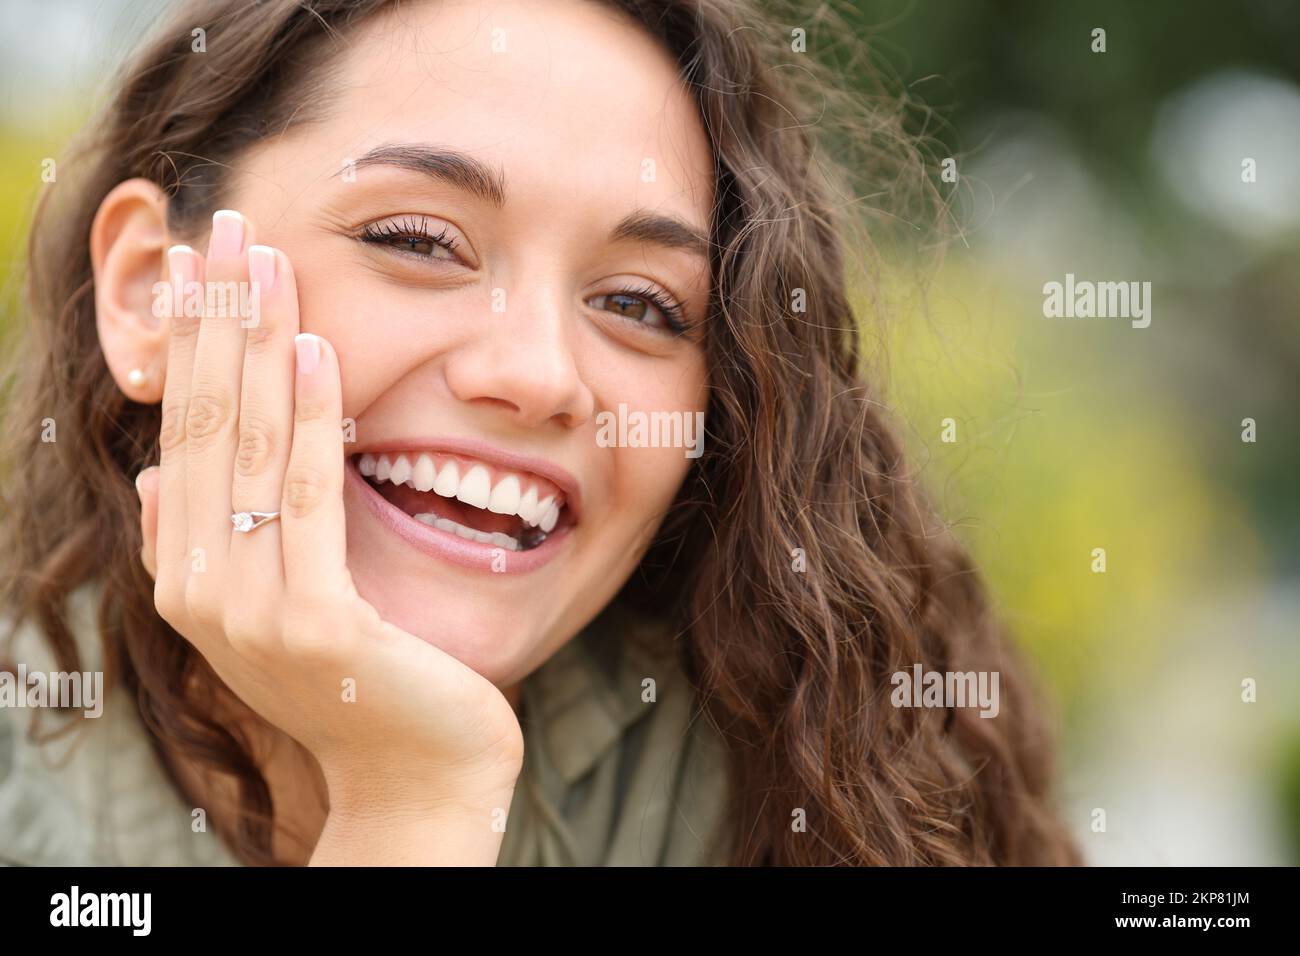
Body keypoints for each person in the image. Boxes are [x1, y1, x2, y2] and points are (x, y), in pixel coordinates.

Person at [0, 0, 1080, 866]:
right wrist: (410, 798)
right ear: (151, 289)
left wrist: (410, 784)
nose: (536, 374)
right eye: (420, 239)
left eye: (639, 304)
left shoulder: (802, 790)